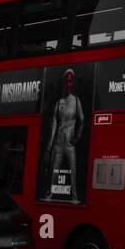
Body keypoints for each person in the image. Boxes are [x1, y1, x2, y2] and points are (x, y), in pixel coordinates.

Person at [45, 69, 84, 202]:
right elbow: (53, 126)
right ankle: (50, 194)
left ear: (73, 83)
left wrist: (77, 137)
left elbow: (82, 120)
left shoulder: (76, 101)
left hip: (69, 143)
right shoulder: (59, 102)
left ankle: (75, 196)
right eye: (66, 82)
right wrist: (49, 147)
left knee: (73, 171)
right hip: (58, 143)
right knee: (53, 170)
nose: (68, 84)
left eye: (70, 82)